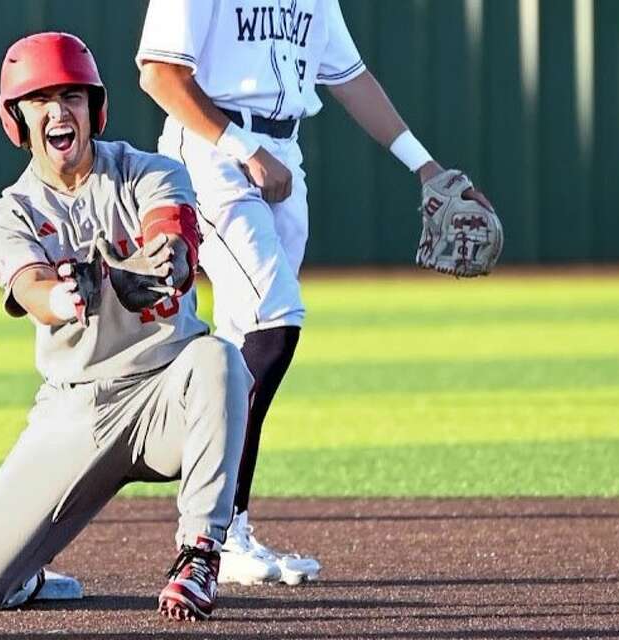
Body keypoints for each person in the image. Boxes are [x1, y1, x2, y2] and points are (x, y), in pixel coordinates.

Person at [0, 32, 252, 622]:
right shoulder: (5, 217)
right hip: (76, 408)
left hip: (165, 396)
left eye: (72, 97)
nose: (60, 112)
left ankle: (199, 553)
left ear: (94, 109)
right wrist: (66, 295)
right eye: (41, 100)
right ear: (18, 120)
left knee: (219, 359)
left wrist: (161, 264)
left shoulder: (149, 172)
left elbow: (176, 242)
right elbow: (34, 291)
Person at [136, 0, 495, 586]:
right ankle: (213, 534)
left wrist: (426, 168)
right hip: (212, 154)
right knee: (273, 324)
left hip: (282, 156)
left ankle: (227, 528)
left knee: (236, 350)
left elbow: (350, 76)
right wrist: (241, 149)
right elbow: (158, 72)